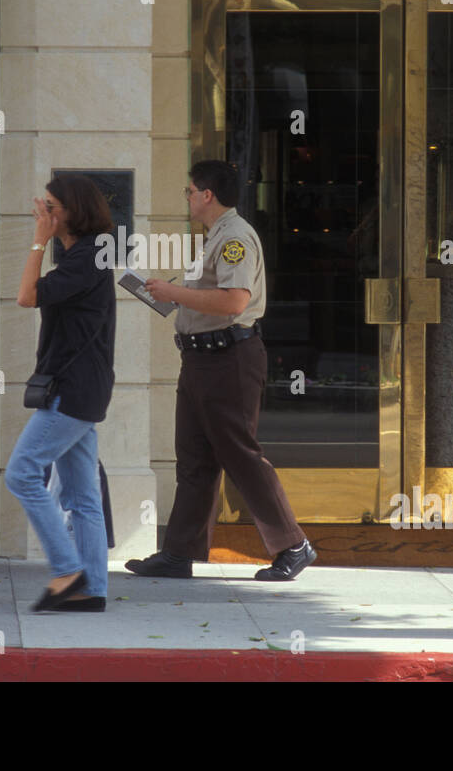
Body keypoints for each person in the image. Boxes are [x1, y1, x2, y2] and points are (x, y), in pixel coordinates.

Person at [128, 160, 317, 581]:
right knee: (194, 459)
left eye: (190, 190)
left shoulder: (235, 239)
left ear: (207, 195)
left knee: (240, 455)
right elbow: (203, 298)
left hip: (228, 359)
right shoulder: (213, 238)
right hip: (200, 359)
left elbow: (234, 301)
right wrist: (165, 294)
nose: (188, 197)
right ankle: (179, 553)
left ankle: (293, 545)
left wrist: (171, 290)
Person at [5, 175, 116, 612]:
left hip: (72, 391)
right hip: (82, 388)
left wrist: (37, 241)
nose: (43, 213)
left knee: (20, 473)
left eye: (51, 206)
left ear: (72, 211)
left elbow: (26, 297)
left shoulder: (85, 258)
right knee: (82, 495)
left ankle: (68, 572)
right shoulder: (84, 255)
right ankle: (93, 589)